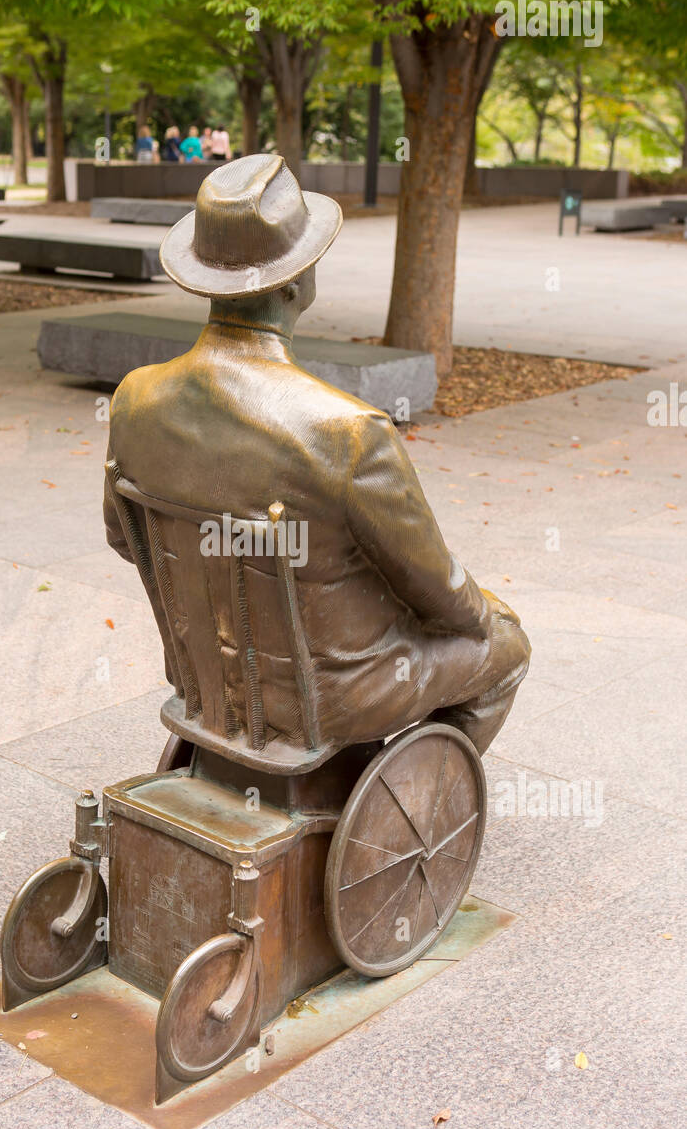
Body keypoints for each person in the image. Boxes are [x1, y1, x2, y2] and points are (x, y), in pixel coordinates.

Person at [103, 155, 530, 759]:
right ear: (296, 282)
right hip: (334, 697)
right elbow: (435, 587)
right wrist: (482, 619)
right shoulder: (348, 431)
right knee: (506, 642)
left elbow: (127, 540)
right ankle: (418, 800)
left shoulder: (135, 396)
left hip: (207, 682)